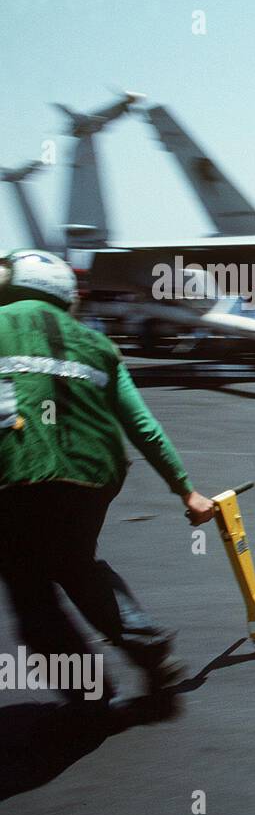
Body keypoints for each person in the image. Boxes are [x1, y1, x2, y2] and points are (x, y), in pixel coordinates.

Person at [0, 249, 215, 712]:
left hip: (15, 473)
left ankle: (86, 691)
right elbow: (143, 426)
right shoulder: (96, 344)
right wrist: (186, 491)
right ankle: (150, 649)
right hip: (93, 477)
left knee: (30, 586)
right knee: (75, 563)